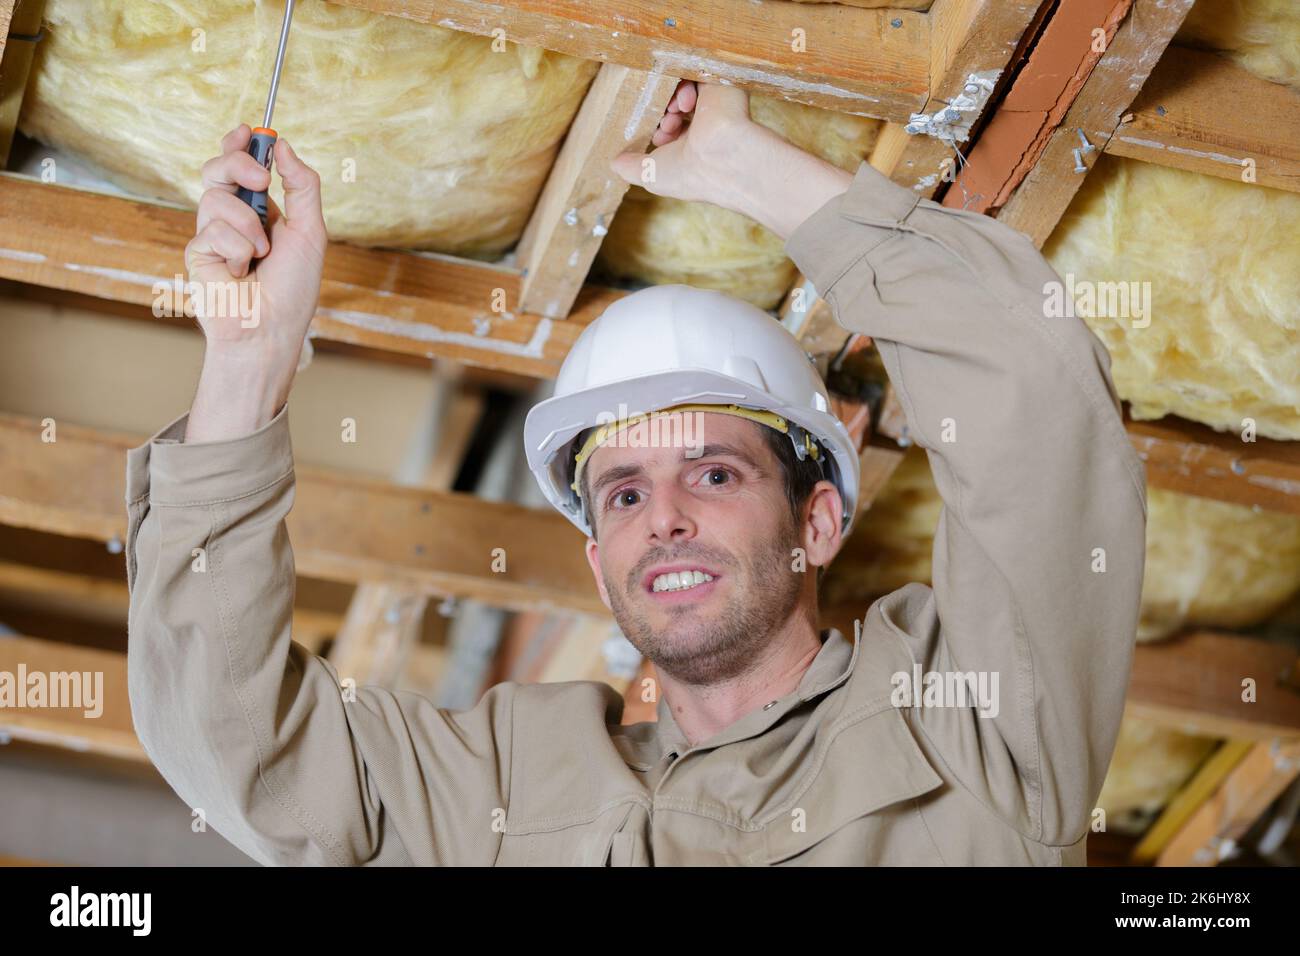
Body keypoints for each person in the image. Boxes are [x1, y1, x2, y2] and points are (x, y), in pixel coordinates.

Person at [125, 82, 1146, 866]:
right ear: (595, 556)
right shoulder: (507, 789)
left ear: (820, 519)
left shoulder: (966, 730)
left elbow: (1035, 395)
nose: (661, 517)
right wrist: (248, 361)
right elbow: (240, 749)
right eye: (622, 491)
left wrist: (752, 174)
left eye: (711, 473)